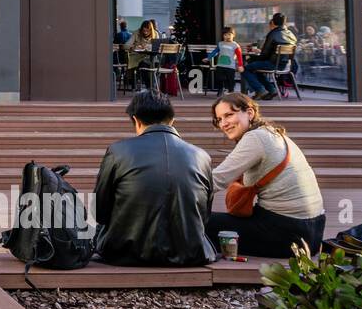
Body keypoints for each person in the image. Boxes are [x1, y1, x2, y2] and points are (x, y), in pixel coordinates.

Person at [92, 90, 218, 266]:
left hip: (125, 252)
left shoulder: (118, 151)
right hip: (190, 252)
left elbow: (99, 210)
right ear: (172, 120)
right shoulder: (201, 155)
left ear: (136, 120)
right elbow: (204, 214)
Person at [206, 93, 326, 257]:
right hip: (313, 231)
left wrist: (170, 196)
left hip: (288, 233)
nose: (224, 123)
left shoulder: (255, 138)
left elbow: (214, 181)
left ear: (249, 113)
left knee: (197, 224)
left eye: (229, 115)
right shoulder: (272, 134)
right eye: (219, 119)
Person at [240, 12, 297, 99]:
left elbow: (264, 55)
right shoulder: (291, 34)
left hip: (272, 64)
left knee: (245, 68)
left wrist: (252, 56)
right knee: (254, 68)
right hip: (286, 65)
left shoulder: (272, 34)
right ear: (284, 23)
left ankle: (260, 90)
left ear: (273, 22)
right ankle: (271, 90)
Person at [205, 26, 244, 93]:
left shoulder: (235, 45)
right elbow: (215, 52)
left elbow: (239, 56)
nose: (227, 36)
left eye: (229, 34)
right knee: (219, 78)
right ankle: (220, 90)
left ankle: (231, 90)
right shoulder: (220, 44)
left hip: (230, 66)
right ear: (223, 36)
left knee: (230, 79)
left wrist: (240, 65)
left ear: (233, 35)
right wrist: (208, 58)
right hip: (220, 65)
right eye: (225, 35)